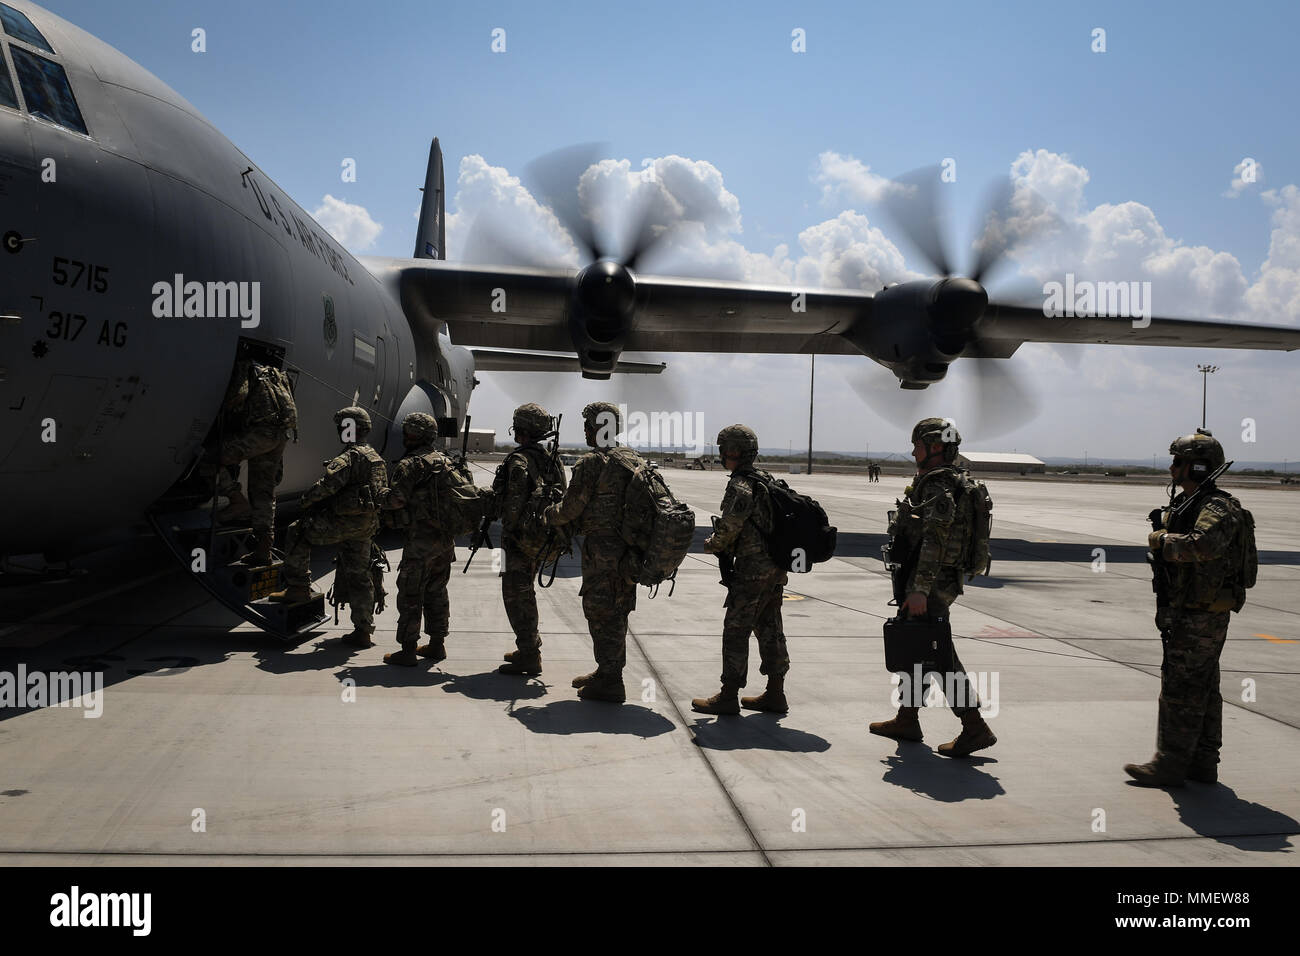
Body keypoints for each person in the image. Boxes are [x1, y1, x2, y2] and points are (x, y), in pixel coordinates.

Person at [868, 417, 996, 757]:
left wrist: (920, 589)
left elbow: (934, 542)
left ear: (935, 447)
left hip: (932, 581)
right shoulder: (951, 482)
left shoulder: (939, 486)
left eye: (918, 446)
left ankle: (974, 726)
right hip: (934, 578)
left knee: (938, 655)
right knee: (917, 649)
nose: (913, 452)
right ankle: (907, 718)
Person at [1127, 430, 1248, 787]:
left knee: (1181, 686)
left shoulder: (1216, 507)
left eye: (1178, 461)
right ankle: (1203, 762)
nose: (1171, 467)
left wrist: (1162, 540)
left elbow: (1202, 545)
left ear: (1197, 466)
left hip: (1199, 612)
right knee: (1204, 687)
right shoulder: (1188, 505)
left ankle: (1170, 764)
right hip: (1190, 607)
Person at [541, 402, 642, 702]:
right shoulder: (631, 458)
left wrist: (547, 513)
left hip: (603, 554)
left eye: (588, 426)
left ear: (598, 429)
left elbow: (571, 509)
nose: (585, 431)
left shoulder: (591, 463)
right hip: (628, 553)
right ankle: (607, 671)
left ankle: (611, 682)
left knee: (601, 614)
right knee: (617, 612)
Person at [691, 424, 790, 716]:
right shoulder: (767, 480)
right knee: (770, 628)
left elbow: (731, 525)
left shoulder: (741, 484)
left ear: (733, 451)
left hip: (752, 572)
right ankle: (776, 693)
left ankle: (729, 694)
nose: (722, 454)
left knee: (736, 629)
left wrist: (712, 543)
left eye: (724, 449)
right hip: (775, 568)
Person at [269, 407, 387, 649]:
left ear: (350, 429)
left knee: (296, 531)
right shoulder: (375, 457)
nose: (339, 431)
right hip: (365, 526)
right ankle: (363, 630)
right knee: (359, 575)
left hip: (343, 523)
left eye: (342, 427)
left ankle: (298, 586)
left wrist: (305, 501)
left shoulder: (351, 456)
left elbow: (328, 485)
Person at [200, 357, 297, 564]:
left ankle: (237, 501)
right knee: (263, 491)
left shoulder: (247, 369)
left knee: (207, 459)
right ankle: (264, 550)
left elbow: (237, 397)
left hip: (259, 433)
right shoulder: (276, 374)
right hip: (280, 435)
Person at [495, 403, 566, 676]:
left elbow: (511, 507)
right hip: (543, 536)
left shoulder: (519, 460)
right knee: (526, 592)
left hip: (517, 540)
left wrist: (509, 529)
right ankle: (528, 647)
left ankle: (529, 653)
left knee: (515, 594)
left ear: (521, 428)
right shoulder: (552, 459)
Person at [380, 412, 456, 667]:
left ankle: (408, 650)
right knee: (437, 592)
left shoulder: (410, 464)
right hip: (445, 542)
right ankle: (437, 645)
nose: (405, 437)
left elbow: (396, 500)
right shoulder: (447, 462)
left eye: (408, 432)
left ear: (415, 435)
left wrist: (378, 494)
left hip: (420, 543)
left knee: (411, 595)